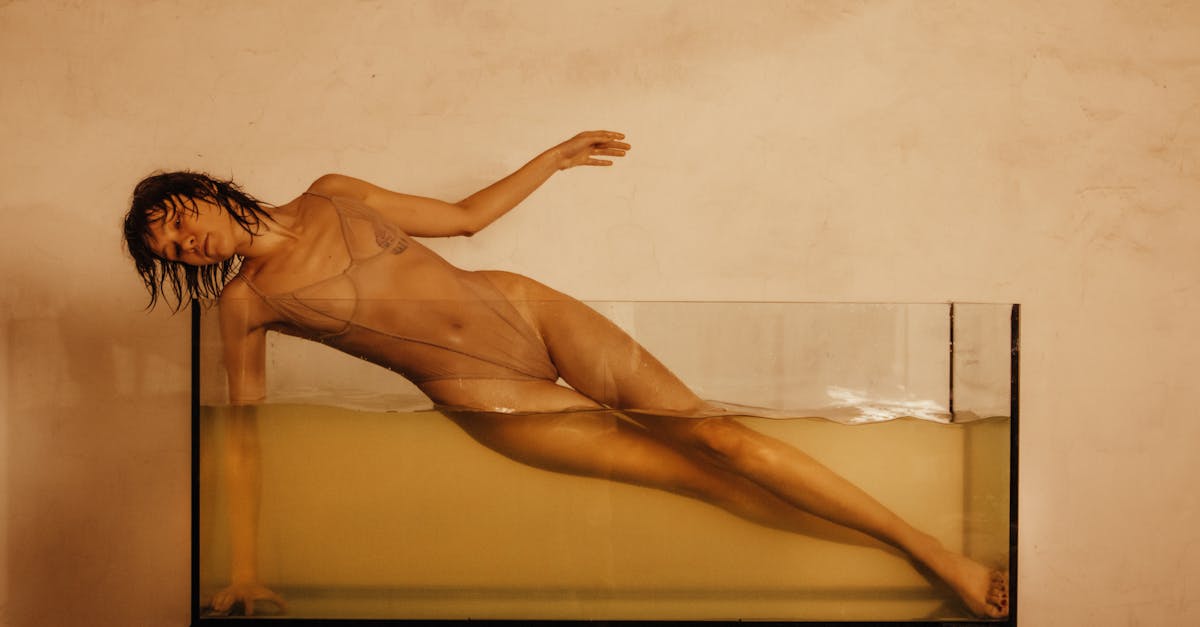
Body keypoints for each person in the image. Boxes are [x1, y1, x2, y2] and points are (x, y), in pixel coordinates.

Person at [123, 131, 1008, 619]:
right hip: (495, 398)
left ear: (199, 188)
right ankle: (912, 560)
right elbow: (241, 440)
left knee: (720, 434)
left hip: (529, 309)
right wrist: (241, 569)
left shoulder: (334, 189)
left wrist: (551, 158)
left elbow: (466, 219)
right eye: (173, 249)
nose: (188, 240)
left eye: (177, 218)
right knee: (702, 480)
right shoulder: (243, 304)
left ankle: (930, 549)